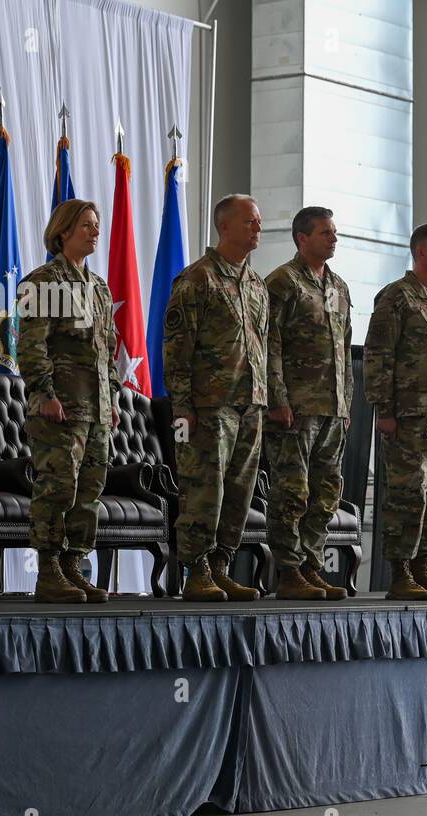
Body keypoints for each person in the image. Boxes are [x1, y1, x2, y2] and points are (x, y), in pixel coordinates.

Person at [163, 194, 270, 602]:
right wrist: (182, 407)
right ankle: (197, 571)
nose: (257, 228)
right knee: (204, 489)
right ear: (224, 226)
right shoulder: (198, 279)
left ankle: (221, 566)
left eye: (259, 222)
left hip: (250, 404)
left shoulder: (257, 285)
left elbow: (263, 346)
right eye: (250, 222)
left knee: (241, 491)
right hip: (208, 405)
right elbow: (176, 347)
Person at [18, 198, 119, 604]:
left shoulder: (99, 288)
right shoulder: (42, 282)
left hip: (95, 409)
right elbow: (30, 345)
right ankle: (48, 572)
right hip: (60, 408)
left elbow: (108, 350)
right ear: (63, 232)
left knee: (89, 491)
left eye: (97, 226)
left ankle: (73, 566)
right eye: (87, 227)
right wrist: (44, 394)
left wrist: (111, 402)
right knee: (57, 488)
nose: (95, 233)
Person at [365, 223, 427, 600]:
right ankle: (400, 571)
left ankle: (423, 568)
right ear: (421, 252)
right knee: (409, 493)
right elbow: (378, 356)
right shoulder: (396, 298)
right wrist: (384, 409)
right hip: (411, 415)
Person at [263, 206, 352, 601]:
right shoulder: (282, 282)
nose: (333, 239)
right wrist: (277, 399)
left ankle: (311, 565)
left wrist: (346, 403)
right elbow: (269, 346)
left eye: (334, 233)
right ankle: (288, 571)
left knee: (326, 492)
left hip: (331, 410)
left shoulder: (339, 286)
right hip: (295, 410)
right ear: (303, 238)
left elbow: (345, 351)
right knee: (291, 493)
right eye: (325, 233)